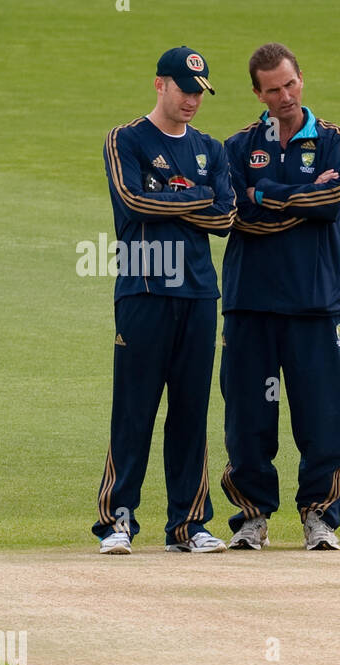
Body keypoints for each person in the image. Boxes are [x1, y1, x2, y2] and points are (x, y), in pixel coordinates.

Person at [94, 46, 235, 555]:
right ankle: (118, 522)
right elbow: (134, 201)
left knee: (192, 411)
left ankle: (189, 525)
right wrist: (195, 196)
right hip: (143, 288)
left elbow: (225, 218)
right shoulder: (125, 139)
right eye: (184, 89)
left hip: (198, 293)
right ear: (160, 84)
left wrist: (175, 199)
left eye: (200, 91)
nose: (193, 99)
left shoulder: (211, 149)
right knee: (134, 410)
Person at [219, 43, 340, 551]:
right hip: (250, 303)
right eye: (273, 89)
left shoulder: (333, 141)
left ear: (302, 78)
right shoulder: (235, 147)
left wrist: (264, 192)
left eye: (290, 84)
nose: (284, 95)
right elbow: (232, 212)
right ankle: (252, 518)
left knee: (321, 417)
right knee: (248, 419)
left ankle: (319, 517)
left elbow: (331, 198)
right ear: (258, 92)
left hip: (315, 303)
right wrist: (284, 198)